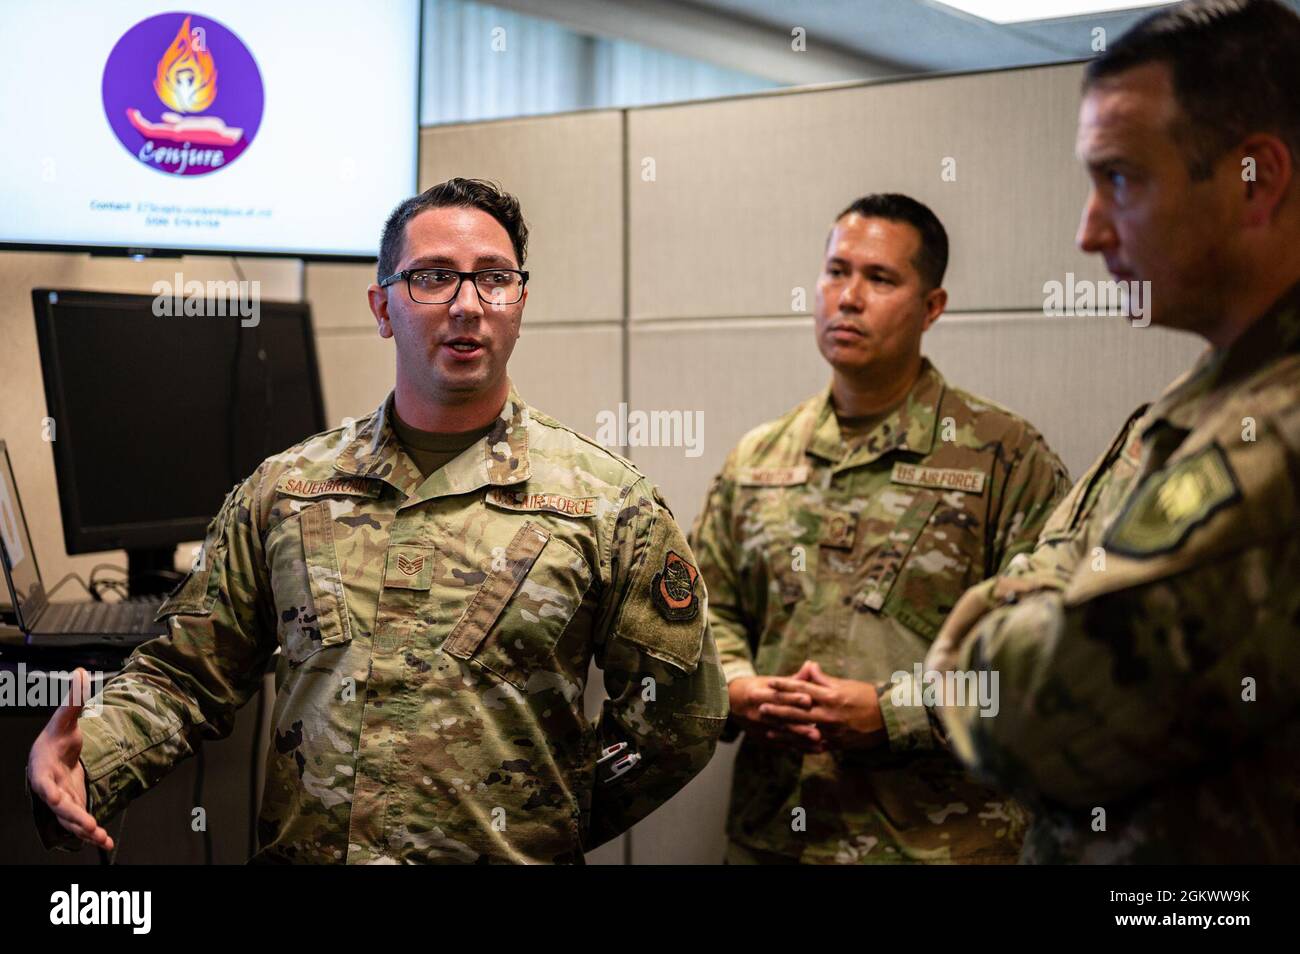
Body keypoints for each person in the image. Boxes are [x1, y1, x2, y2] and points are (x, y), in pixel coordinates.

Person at [27, 177, 728, 864]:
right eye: (432, 278)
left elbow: (680, 719)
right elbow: (185, 676)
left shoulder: (610, 504)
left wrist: (551, 820)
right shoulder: (286, 492)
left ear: (519, 302)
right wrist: (92, 761)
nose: (467, 305)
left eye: (493, 278)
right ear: (383, 306)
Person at [928, 0, 1300, 863]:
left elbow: (1027, 713)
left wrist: (985, 615)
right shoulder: (1205, 401)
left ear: (1257, 178)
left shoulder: (1270, 441)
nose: (1089, 230)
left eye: (1122, 179)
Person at [691, 193, 1070, 864]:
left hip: (938, 844)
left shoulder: (1002, 457)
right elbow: (701, 613)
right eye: (836, 271)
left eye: (881, 278)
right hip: (777, 839)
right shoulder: (759, 458)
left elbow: (1043, 658)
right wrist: (739, 688)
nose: (849, 298)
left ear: (932, 307)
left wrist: (891, 713)